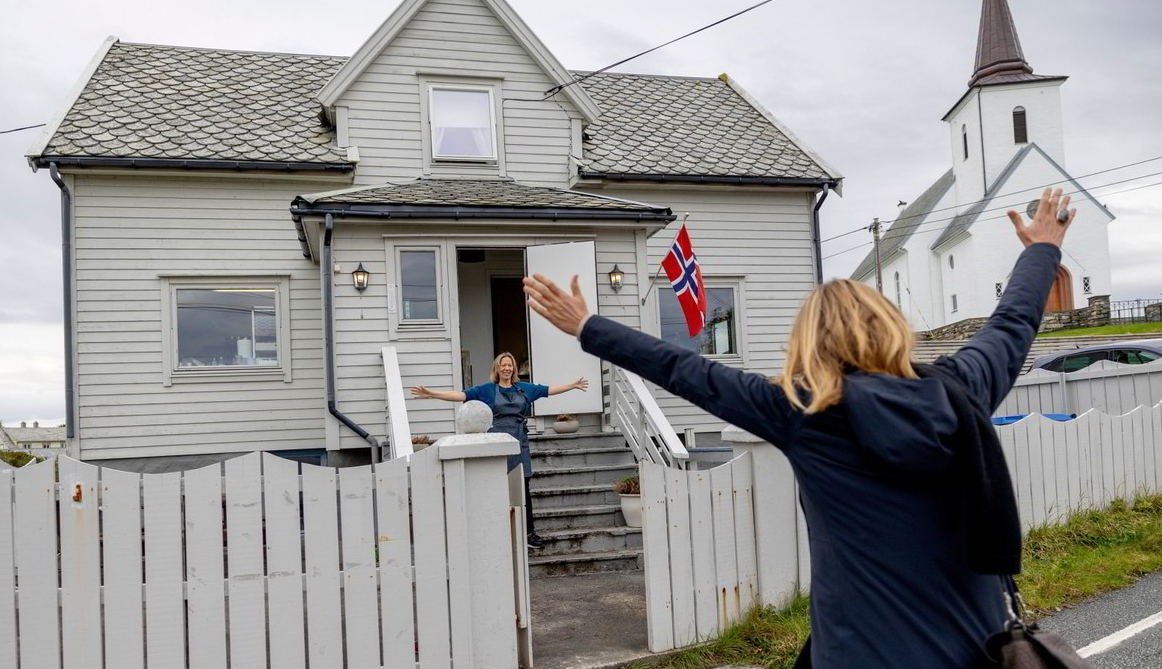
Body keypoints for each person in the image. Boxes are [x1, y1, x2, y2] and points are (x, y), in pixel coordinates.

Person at [523, 189, 1077, 667]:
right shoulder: (964, 390)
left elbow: (689, 372)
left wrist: (588, 325)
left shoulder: (800, 413)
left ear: (808, 344)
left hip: (860, 653)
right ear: (892, 325)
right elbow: (1012, 324)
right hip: (976, 650)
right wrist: (1043, 250)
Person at [412, 352, 588, 550]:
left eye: (510, 365)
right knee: (497, 485)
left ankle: (528, 533)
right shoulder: (487, 390)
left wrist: (572, 385)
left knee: (523, 485)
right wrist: (432, 394)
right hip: (496, 442)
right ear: (497, 369)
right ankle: (498, 531)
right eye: (503, 365)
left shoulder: (524, 389)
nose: (506, 368)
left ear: (513, 369)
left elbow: (549, 390)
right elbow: (461, 396)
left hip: (519, 442)